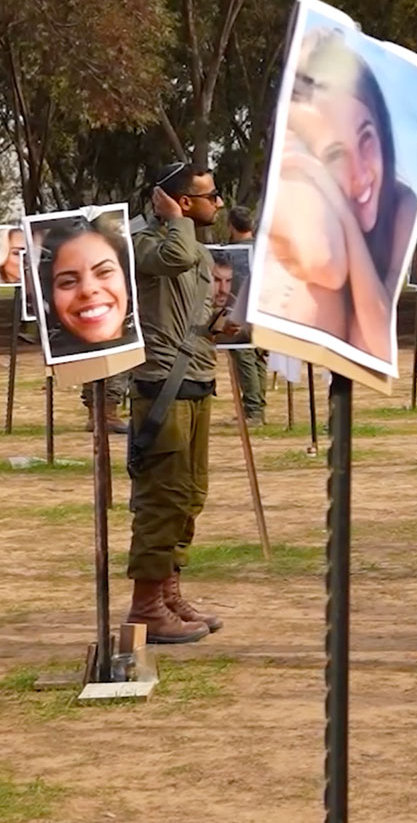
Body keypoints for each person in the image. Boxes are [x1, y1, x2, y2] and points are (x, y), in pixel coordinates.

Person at [256, 28, 417, 364]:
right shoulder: (302, 193)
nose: (360, 174)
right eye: (334, 155)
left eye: (366, 138)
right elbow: (327, 268)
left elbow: (374, 343)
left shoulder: (401, 202)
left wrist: (346, 220)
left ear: (382, 128)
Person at [124, 163, 226, 644]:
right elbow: (176, 257)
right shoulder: (146, 242)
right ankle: (145, 607)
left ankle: (168, 593)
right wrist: (173, 220)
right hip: (162, 387)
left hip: (196, 382)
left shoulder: (195, 248)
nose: (219, 203)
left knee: (189, 498)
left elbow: (196, 314)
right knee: (161, 500)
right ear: (180, 203)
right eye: (210, 195)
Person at [34, 215, 135, 354]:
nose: (88, 289)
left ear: (127, 279)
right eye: (68, 281)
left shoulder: (161, 364)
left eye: (104, 272)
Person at [226, 207, 266, 425]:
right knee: (258, 357)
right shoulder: (263, 249)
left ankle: (253, 411)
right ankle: (257, 406)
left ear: (231, 226)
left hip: (243, 313)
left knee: (245, 358)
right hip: (263, 311)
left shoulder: (234, 254)